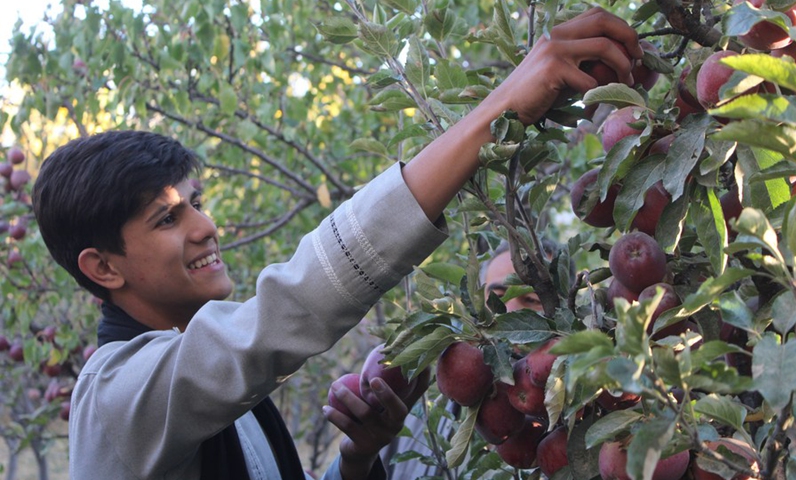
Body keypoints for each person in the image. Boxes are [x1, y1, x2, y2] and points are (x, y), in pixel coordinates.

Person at [31, 9, 641, 480]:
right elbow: (291, 305)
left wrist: (356, 458)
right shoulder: (118, 398)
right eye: (167, 219)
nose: (204, 226)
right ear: (103, 267)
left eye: (197, 201)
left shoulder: (206, 395)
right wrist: (498, 108)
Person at [380, 240, 555, 478]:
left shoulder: (576, 426)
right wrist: (358, 460)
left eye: (532, 301)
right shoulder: (419, 423)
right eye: (498, 297)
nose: (511, 314)